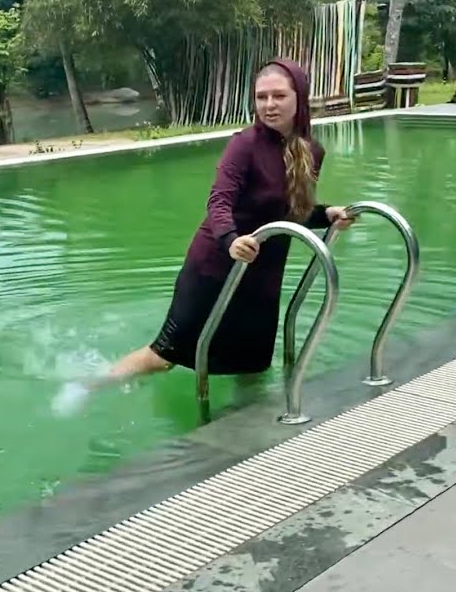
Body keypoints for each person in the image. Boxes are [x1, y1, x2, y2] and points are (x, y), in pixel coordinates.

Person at [52, 58, 353, 415]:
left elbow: (291, 211)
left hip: (262, 277)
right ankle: (88, 385)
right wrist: (231, 240)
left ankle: (246, 424)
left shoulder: (310, 151)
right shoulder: (245, 145)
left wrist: (326, 214)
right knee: (164, 355)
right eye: (261, 97)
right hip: (215, 266)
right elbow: (219, 201)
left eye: (279, 96)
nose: (269, 105)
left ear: (299, 99)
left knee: (253, 363)